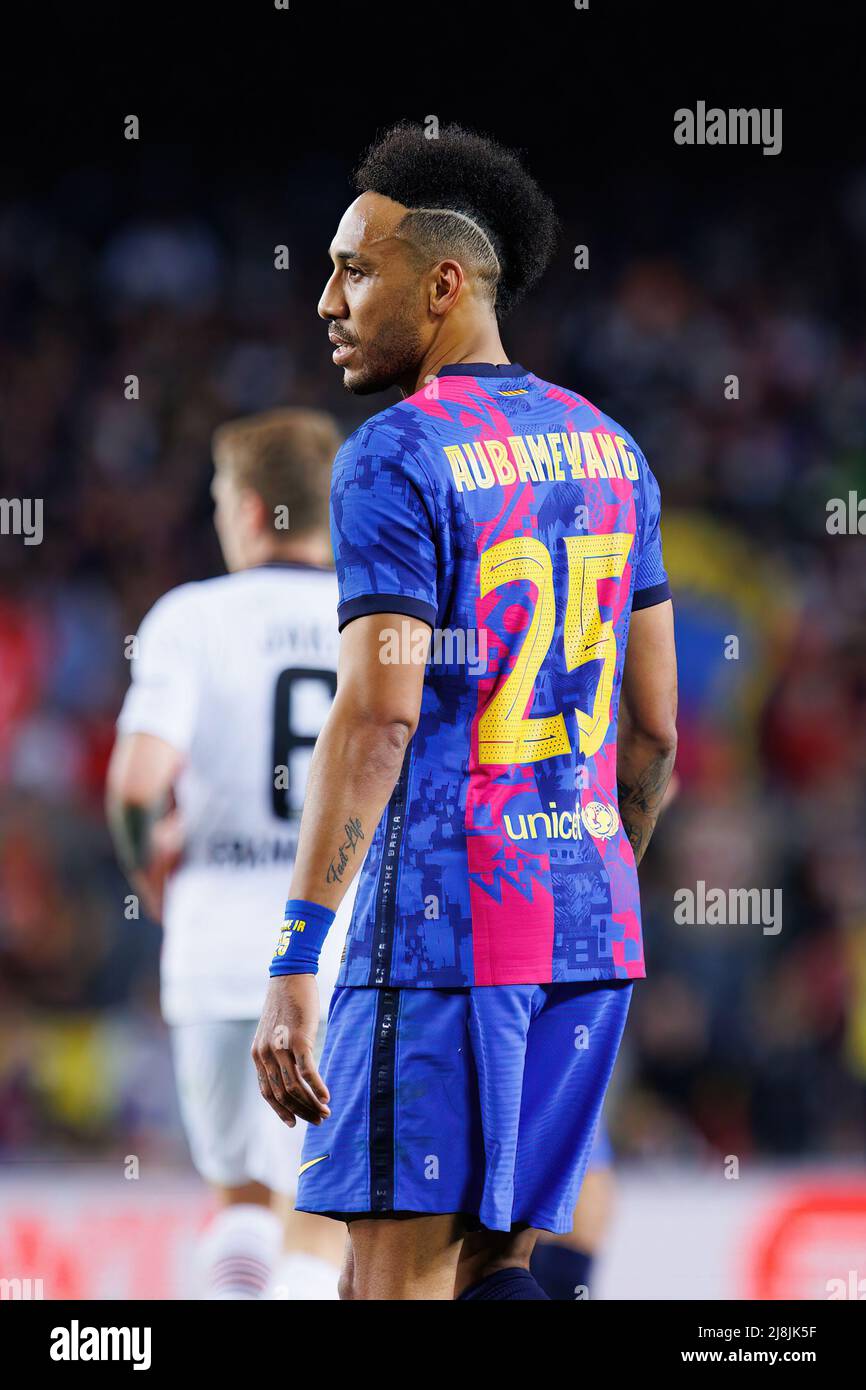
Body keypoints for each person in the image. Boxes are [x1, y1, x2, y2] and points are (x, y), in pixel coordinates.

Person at [252, 124, 678, 1301]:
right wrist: (579, 881)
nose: (326, 299)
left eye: (355, 268)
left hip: (437, 942)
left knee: (390, 1287)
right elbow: (652, 732)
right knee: (497, 1274)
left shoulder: (395, 455)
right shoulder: (610, 446)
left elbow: (380, 715)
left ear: (442, 283)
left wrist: (297, 953)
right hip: (584, 933)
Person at [107, 408, 350, 1299]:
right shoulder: (376, 616)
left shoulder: (188, 618)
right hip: (338, 949)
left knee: (242, 1198)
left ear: (249, 510)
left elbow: (137, 787)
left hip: (213, 950)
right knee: (324, 1208)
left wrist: (151, 865)